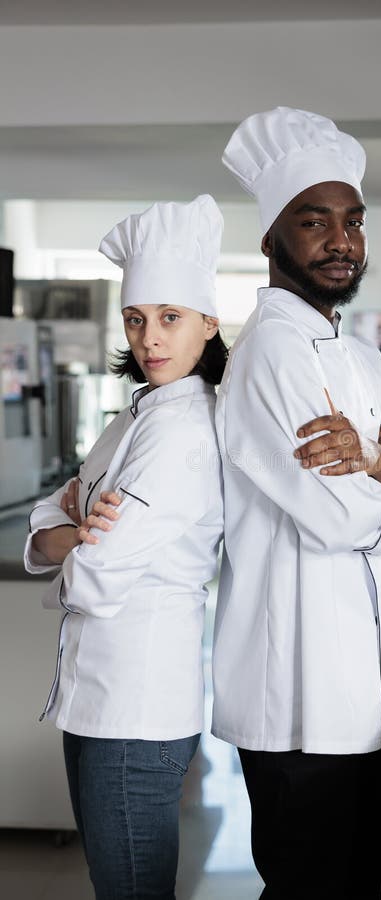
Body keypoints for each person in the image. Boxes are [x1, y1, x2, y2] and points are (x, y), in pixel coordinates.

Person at [212, 107, 381, 900]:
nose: (340, 240)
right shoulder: (269, 355)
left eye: (353, 221)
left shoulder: (358, 355)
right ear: (271, 240)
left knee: (354, 886)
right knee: (309, 886)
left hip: (367, 690)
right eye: (313, 221)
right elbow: (341, 520)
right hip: (300, 690)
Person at [23, 195, 226, 900]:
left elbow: (96, 573)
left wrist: (71, 545)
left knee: (132, 889)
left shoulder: (184, 430)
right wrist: (73, 534)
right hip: (92, 696)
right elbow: (58, 512)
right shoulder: (135, 414)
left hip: (135, 705)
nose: (151, 338)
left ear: (209, 322)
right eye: (137, 320)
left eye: (170, 318)